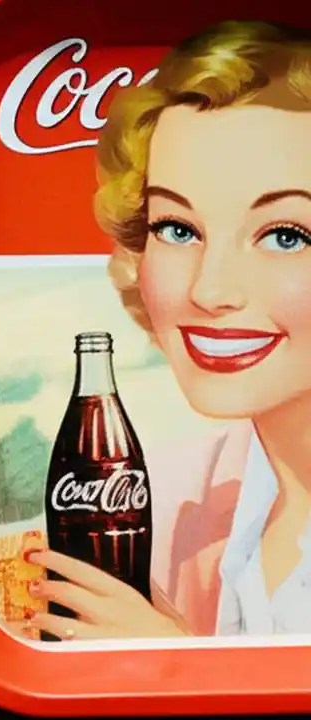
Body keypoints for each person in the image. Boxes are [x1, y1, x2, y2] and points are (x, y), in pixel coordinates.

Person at [23, 19, 311, 640]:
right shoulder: (189, 492)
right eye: (177, 229)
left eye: (287, 235)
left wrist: (176, 667)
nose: (209, 291)